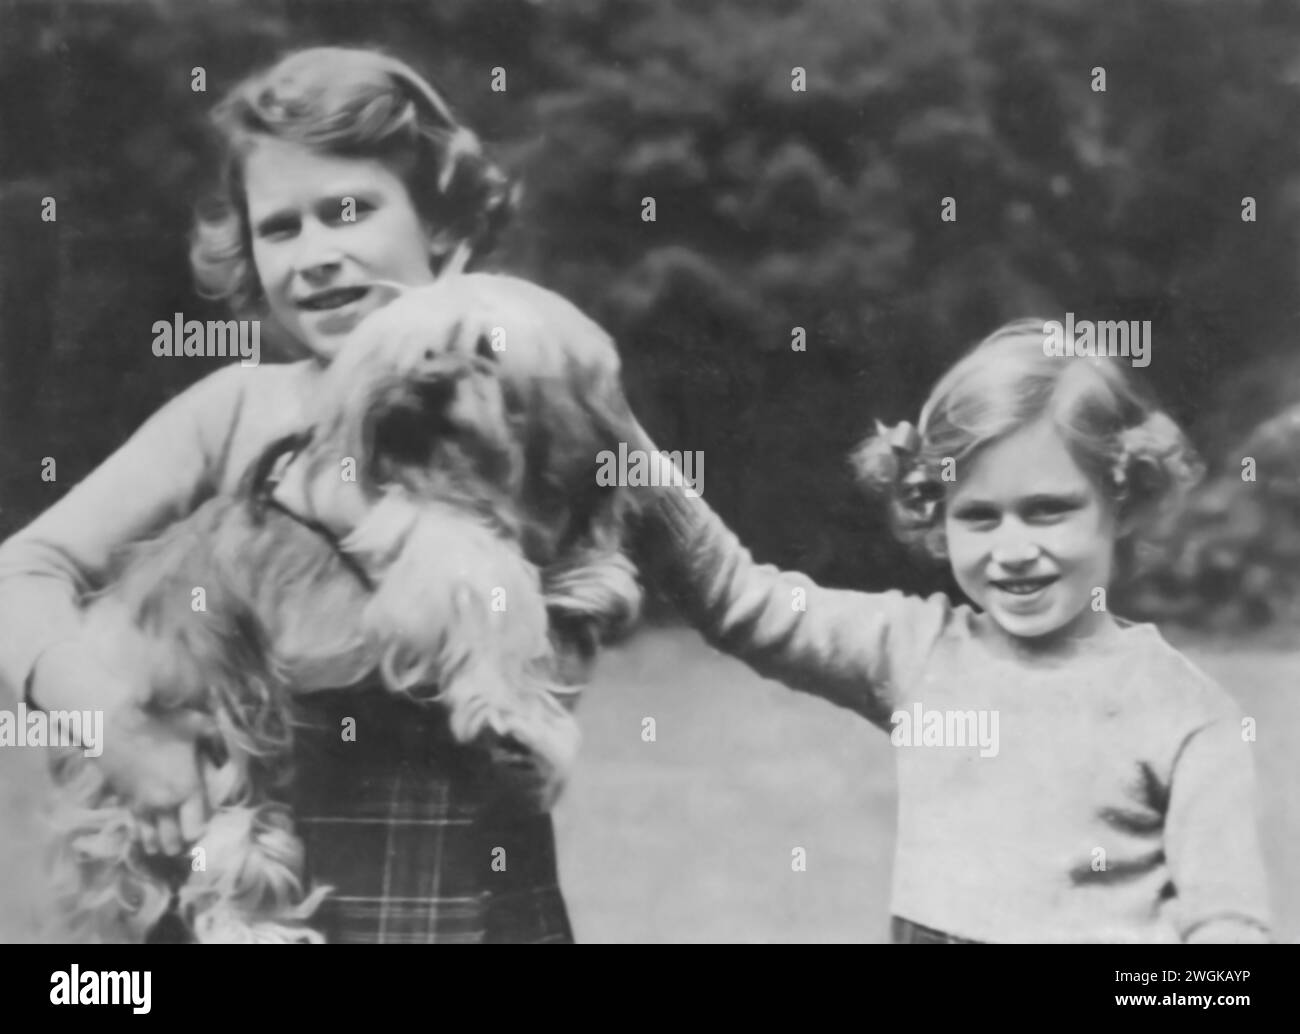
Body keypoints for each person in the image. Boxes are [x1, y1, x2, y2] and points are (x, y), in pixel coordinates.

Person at [0, 46, 573, 944]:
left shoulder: (535, 392)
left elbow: (721, 584)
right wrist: (112, 724)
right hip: (249, 898)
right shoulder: (239, 409)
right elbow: (17, 572)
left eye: (349, 211)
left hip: (463, 906)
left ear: (439, 221)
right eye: (281, 229)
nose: (316, 255)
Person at [633, 319, 1272, 943]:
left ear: (1124, 498)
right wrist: (611, 438)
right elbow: (738, 598)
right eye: (980, 518)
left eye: (1048, 511)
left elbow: (1229, 940)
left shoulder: (1190, 717)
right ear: (937, 516)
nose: (1014, 549)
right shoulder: (917, 652)